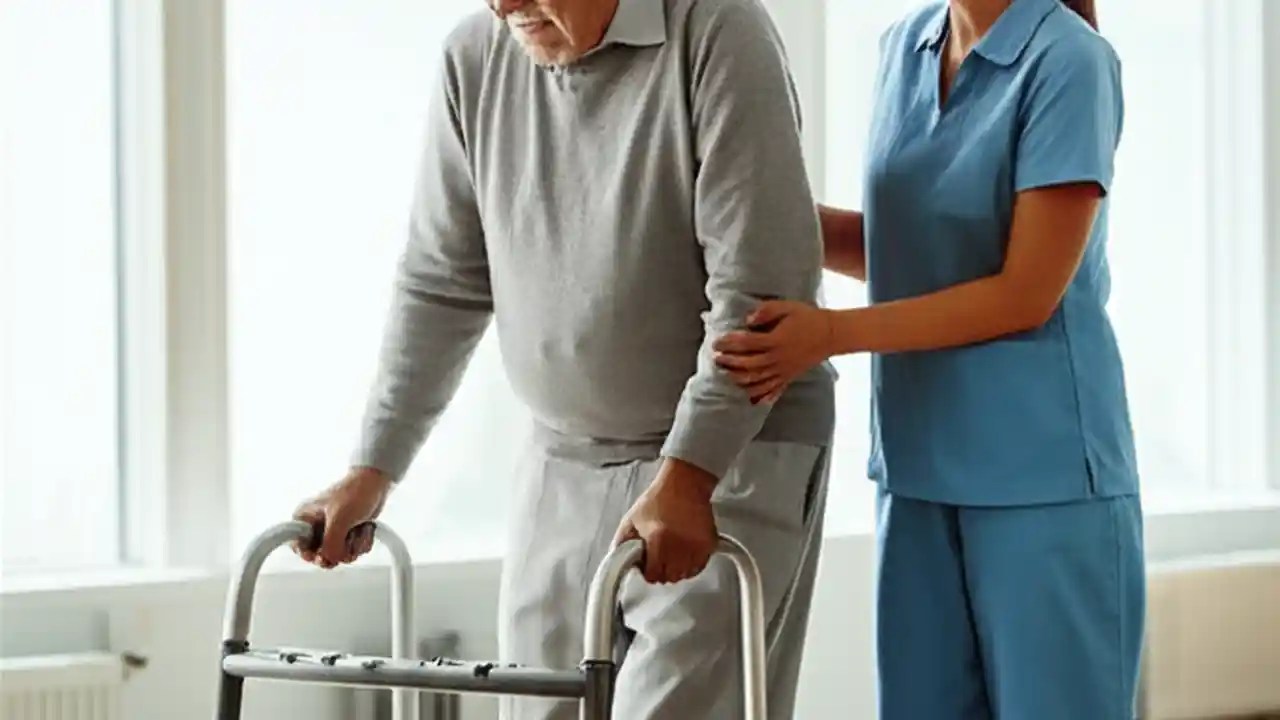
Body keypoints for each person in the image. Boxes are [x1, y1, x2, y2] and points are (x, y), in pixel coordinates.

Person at [290, 0, 837, 718]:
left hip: (731, 455)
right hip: (561, 461)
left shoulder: (719, 32)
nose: (503, 4)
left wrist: (690, 471)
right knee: (536, 705)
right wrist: (372, 467)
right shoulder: (474, 57)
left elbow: (760, 293)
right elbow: (442, 282)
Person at [714, 0, 1144, 717]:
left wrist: (827, 335)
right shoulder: (904, 46)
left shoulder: (1070, 61)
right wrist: (745, 208)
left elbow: (1024, 293)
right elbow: (901, 247)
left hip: (1044, 479)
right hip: (917, 474)